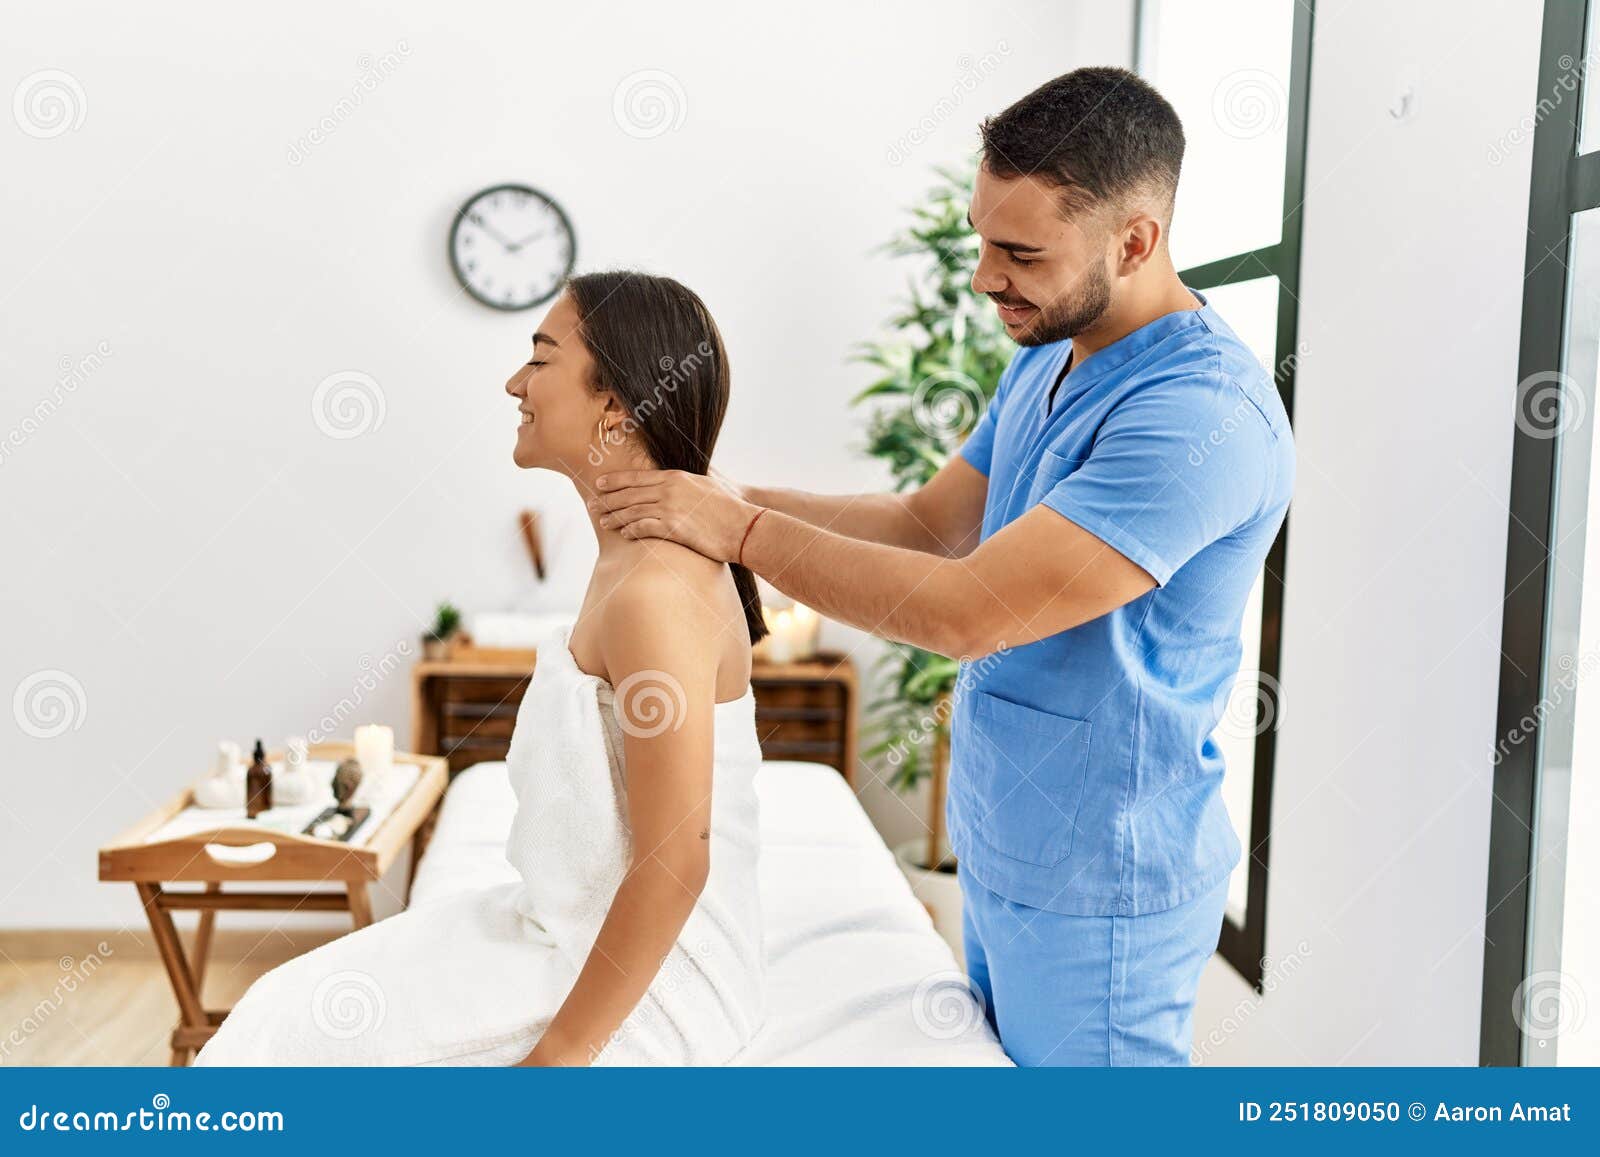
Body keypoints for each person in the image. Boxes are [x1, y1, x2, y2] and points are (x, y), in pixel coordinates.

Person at [589, 67, 1296, 1066]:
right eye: (980, 237)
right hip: (1011, 845)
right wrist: (724, 501)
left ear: (1133, 240)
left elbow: (967, 611)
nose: (981, 276)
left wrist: (736, 534)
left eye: (1018, 251)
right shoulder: (1049, 354)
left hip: (1102, 879)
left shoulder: (1199, 418)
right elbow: (930, 525)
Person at [197, 272, 769, 1066]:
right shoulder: (628, 566)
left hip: (659, 985)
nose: (514, 383)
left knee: (287, 1044)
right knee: (281, 1010)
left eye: (540, 358)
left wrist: (555, 1064)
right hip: (569, 929)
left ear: (615, 402)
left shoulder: (656, 591)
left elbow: (677, 861)